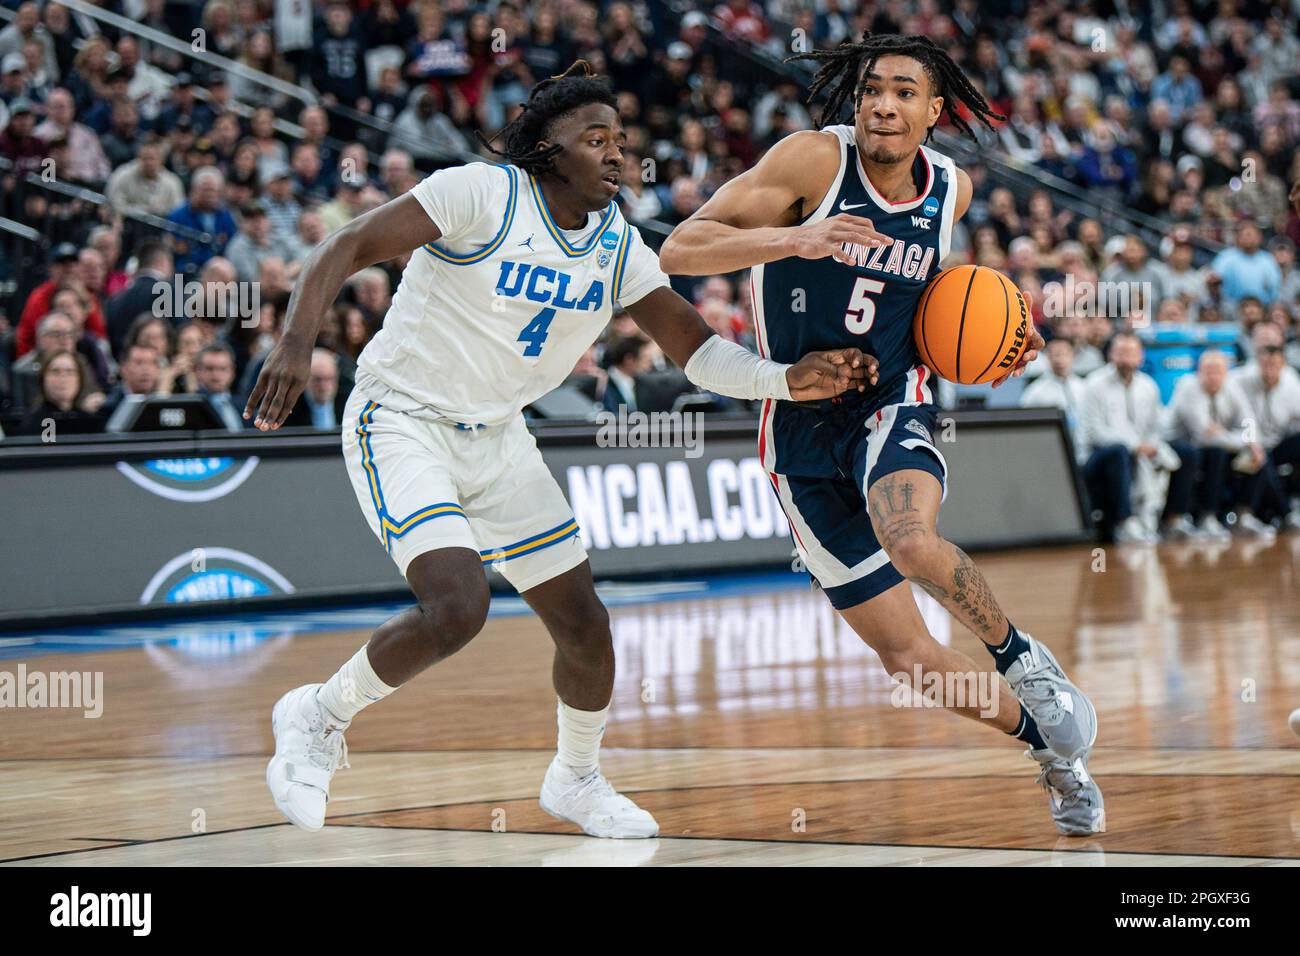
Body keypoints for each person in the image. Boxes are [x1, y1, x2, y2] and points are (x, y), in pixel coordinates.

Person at [244, 62, 869, 839]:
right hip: (401, 417)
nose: (617, 156)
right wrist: (296, 343)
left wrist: (787, 380)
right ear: (547, 150)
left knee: (586, 626)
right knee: (458, 606)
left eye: (622, 141)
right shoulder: (481, 192)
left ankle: (575, 779)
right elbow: (347, 243)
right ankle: (316, 718)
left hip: (499, 435)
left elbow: (697, 353)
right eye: (595, 139)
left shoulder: (618, 247)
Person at [658, 33, 1101, 835]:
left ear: (935, 112)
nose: (883, 104)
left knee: (910, 538)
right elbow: (680, 246)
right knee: (910, 660)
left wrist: (1009, 338)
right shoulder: (810, 165)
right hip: (796, 434)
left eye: (903, 92)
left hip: (890, 402)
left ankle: (1020, 658)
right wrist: (794, 238)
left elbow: (939, 296)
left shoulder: (952, 191)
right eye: (871, 90)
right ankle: (1048, 749)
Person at [1077, 333, 1192, 544]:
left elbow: (1158, 426)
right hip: (1097, 457)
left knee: (1185, 452)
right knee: (1120, 451)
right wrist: (1136, 446)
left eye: (1132, 353)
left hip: (1141, 449)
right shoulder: (1094, 384)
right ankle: (1124, 522)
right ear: (1111, 354)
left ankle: (1174, 519)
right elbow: (1094, 432)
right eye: (1121, 352)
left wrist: (1152, 445)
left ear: (1141, 357)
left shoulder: (1148, 386)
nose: (1126, 358)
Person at [17, 348, 102, 436]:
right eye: (55, 372)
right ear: (43, 379)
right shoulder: (32, 423)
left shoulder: (90, 423)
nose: (63, 378)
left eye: (70, 372)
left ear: (80, 379)